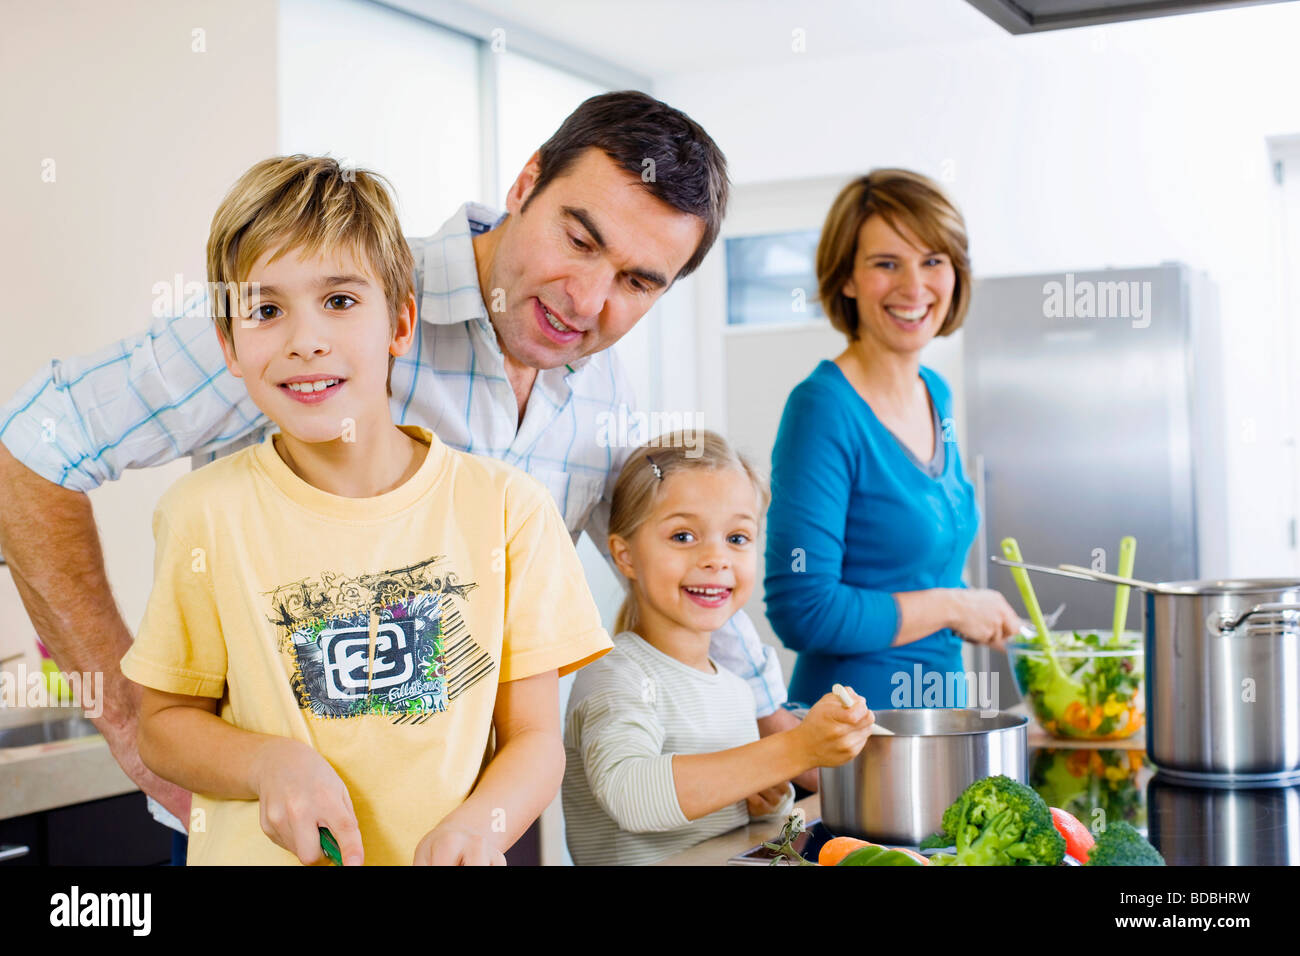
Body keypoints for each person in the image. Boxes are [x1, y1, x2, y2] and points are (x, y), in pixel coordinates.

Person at [0, 91, 801, 852]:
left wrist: (772, 719)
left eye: (637, 282)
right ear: (525, 183)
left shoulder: (596, 387)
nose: (589, 300)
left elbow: (670, 550)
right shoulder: (336, 290)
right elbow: (35, 443)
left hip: (461, 836)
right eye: (580, 239)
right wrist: (139, 733)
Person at [121, 154, 613, 865]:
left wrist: (481, 826)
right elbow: (163, 726)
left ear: (401, 322)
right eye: (265, 310)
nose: (305, 339)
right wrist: (267, 765)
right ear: (229, 344)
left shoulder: (508, 511)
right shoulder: (202, 513)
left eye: (341, 301)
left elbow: (535, 740)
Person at [763, 169, 1020, 712]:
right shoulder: (822, 409)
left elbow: (919, 565)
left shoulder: (936, 393)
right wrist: (954, 607)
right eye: (886, 264)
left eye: (933, 261)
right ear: (847, 278)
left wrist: (969, 606)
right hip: (858, 735)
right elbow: (802, 609)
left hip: (941, 721)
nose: (914, 286)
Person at [562, 432, 875, 866]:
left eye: (738, 538)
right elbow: (630, 794)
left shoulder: (734, 690)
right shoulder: (616, 674)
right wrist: (796, 749)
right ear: (625, 555)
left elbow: (726, 828)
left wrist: (767, 802)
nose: (716, 558)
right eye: (684, 536)